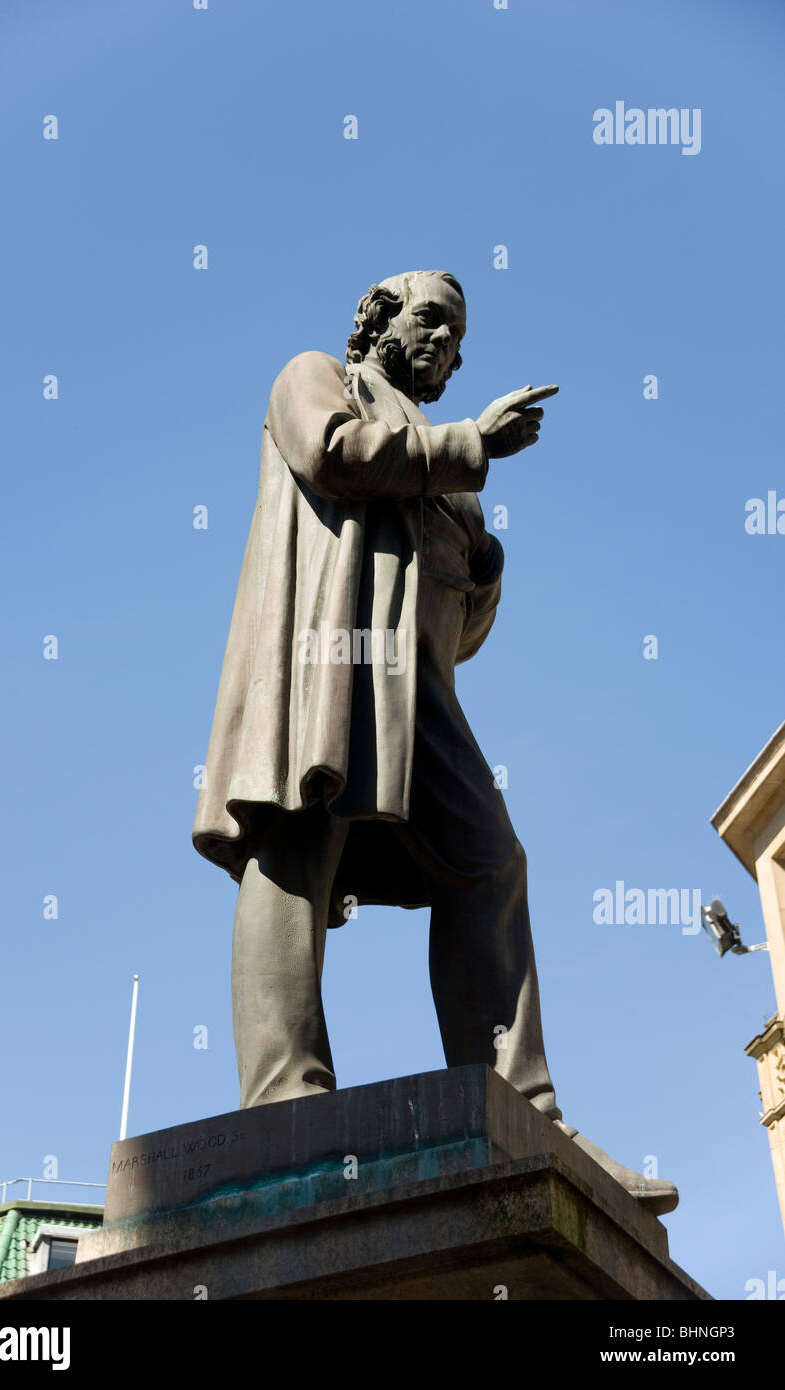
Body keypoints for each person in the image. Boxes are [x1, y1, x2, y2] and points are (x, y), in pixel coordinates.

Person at [193, 269, 678, 1215]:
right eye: (429, 322)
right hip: (329, 661)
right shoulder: (314, 376)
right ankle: (283, 1098)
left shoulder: (449, 476)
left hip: (416, 690)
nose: (443, 346)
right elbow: (335, 455)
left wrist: (484, 566)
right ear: (378, 318)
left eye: (455, 338)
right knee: (297, 843)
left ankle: (522, 1109)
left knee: (490, 861)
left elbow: (458, 626)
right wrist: (470, 446)